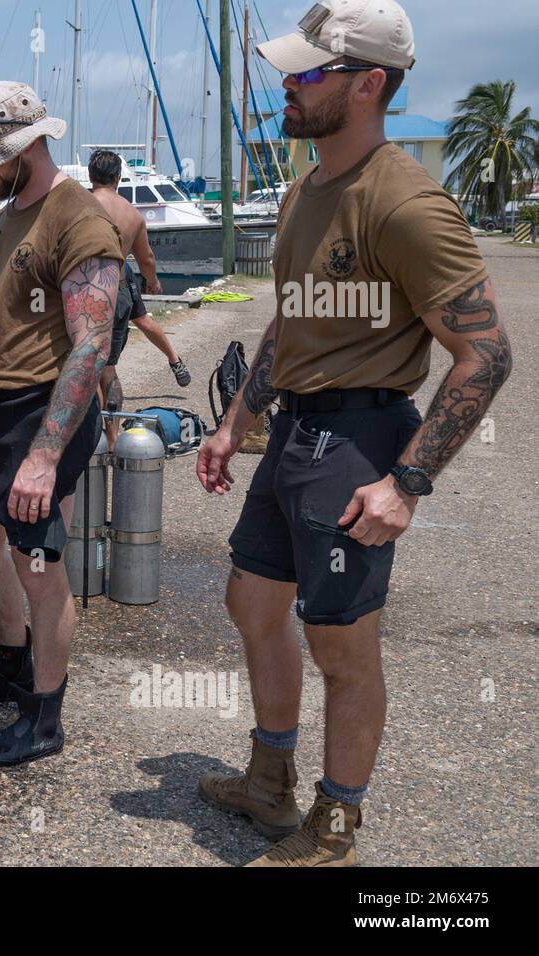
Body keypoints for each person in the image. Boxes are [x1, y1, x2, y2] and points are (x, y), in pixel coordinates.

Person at [196, 0, 512, 866]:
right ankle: (269, 780)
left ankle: (335, 826)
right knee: (251, 601)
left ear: (369, 85)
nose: (286, 86)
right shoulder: (306, 188)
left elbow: (485, 354)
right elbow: (289, 325)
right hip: (292, 432)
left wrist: (405, 484)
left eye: (306, 74)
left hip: (361, 440)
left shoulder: (408, 203)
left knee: (342, 642)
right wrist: (235, 422)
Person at [0, 81, 124, 767]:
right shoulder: (10, 213)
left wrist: (44, 458)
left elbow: (89, 346)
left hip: (47, 413)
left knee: (37, 563)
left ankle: (44, 717)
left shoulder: (78, 222)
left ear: (28, 147)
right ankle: (11, 659)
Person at [86, 149, 192, 448]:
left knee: (84, 367)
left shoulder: (80, 205)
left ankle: (88, 440)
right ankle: (113, 436)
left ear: (91, 176)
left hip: (85, 291)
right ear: (118, 177)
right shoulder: (132, 215)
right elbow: (146, 258)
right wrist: (153, 282)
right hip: (117, 290)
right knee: (108, 369)